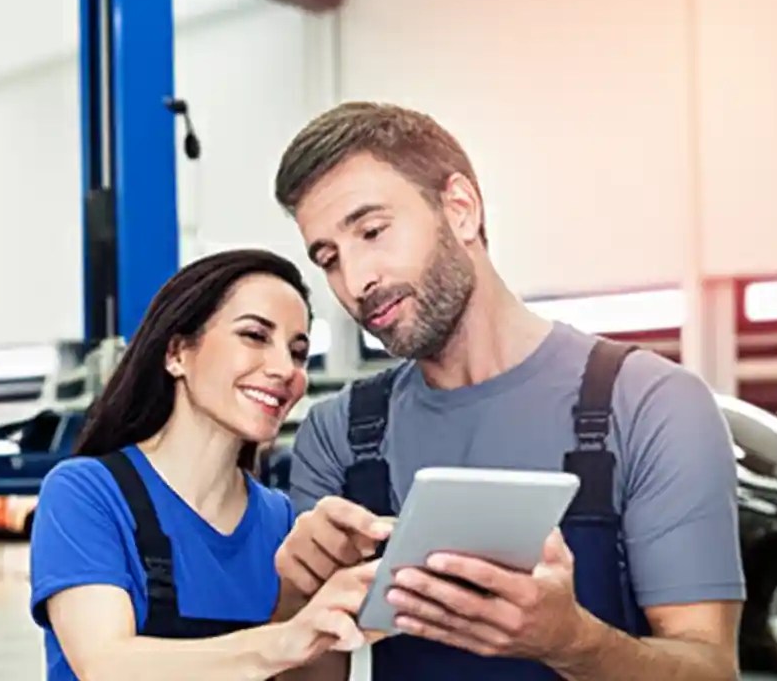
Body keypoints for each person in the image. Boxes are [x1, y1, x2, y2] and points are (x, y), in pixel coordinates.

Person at [266, 102, 746, 680]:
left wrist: (571, 641)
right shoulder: (338, 435)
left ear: (460, 210)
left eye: (372, 232)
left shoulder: (650, 405)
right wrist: (297, 599)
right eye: (329, 259)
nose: (356, 280)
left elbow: (710, 670)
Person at [28, 248, 384, 681]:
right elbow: (107, 666)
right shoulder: (87, 493)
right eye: (255, 335)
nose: (283, 368)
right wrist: (286, 639)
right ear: (177, 353)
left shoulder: (282, 523)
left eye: (298, 352)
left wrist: (321, 602)